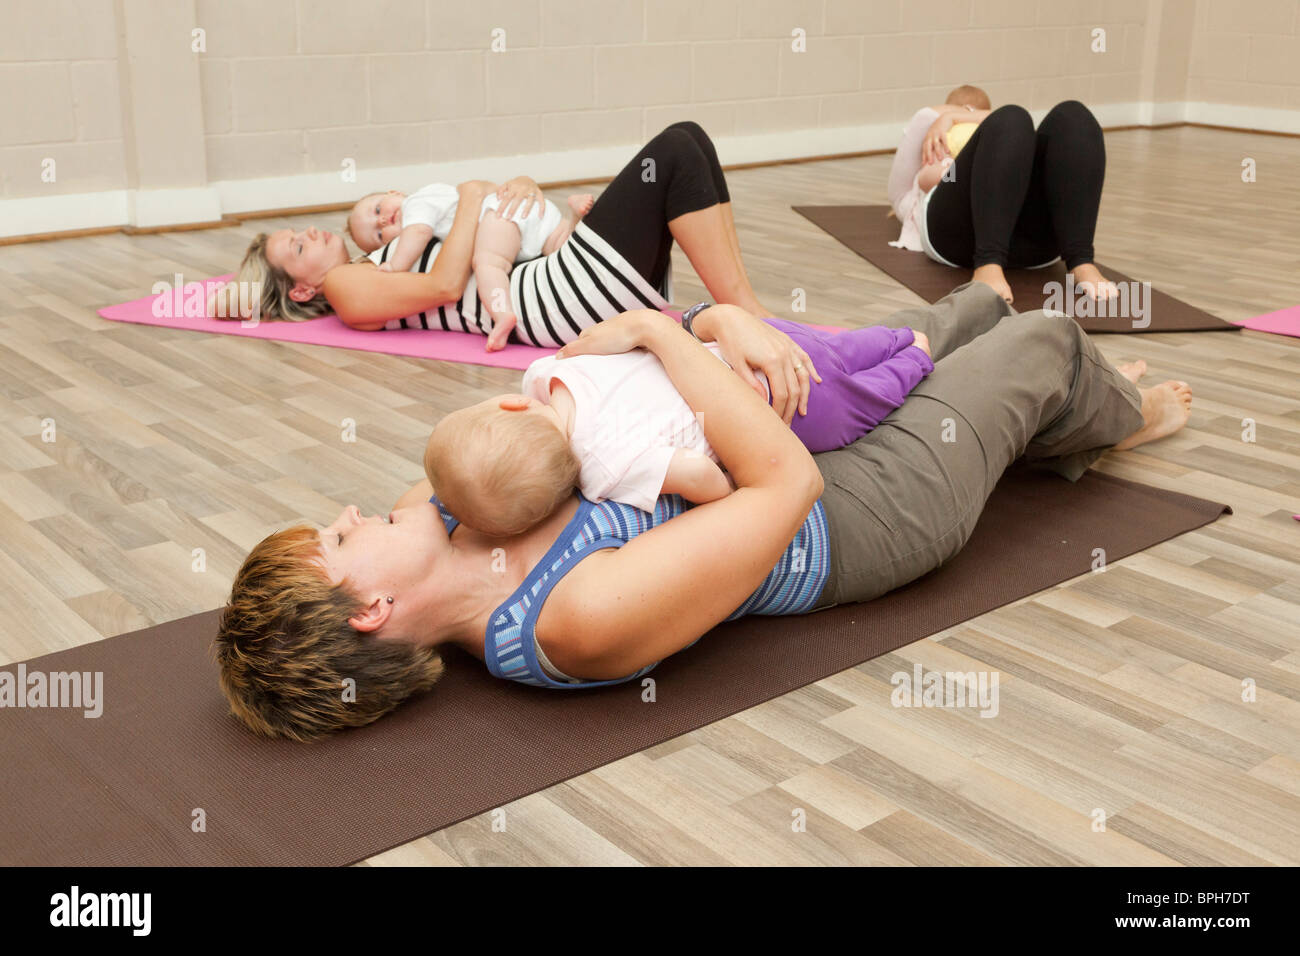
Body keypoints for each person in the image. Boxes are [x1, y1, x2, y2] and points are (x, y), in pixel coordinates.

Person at [213, 283, 1193, 741]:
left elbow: (580, 390)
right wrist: (681, 325)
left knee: (960, 317)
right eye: (338, 540)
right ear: (371, 611)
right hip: (852, 512)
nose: (348, 512)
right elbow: (782, 488)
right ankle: (1108, 417)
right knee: (1042, 339)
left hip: (735, 419)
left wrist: (716, 337)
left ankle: (1052, 411)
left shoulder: (431, 506)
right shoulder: (571, 623)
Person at [210, 122, 777, 352]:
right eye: (298, 247)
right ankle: (751, 316)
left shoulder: (389, 248)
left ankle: (749, 312)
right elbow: (444, 283)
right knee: (674, 152)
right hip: (553, 302)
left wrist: (519, 187)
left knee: (689, 142)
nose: (310, 233)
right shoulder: (347, 288)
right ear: (304, 290)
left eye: (301, 231)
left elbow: (507, 235)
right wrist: (476, 196)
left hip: (560, 278)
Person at [423, 307, 933, 534]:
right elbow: (613, 338)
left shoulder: (604, 470)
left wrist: (728, 488)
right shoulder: (551, 371)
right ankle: (901, 337)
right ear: (512, 406)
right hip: (752, 341)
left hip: (786, 406)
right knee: (846, 346)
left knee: (867, 399)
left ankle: (917, 360)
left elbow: (696, 477)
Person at [887, 86, 1115, 305]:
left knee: (1073, 115)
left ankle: (1081, 260)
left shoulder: (1006, 140)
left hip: (1035, 241)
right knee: (1012, 117)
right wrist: (955, 142)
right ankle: (988, 263)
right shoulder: (939, 145)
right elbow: (927, 178)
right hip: (959, 239)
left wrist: (956, 117)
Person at [344, 185, 595, 350]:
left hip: (498, 216)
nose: (383, 220)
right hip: (528, 212)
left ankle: (501, 313)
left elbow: (417, 233)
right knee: (560, 244)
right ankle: (573, 219)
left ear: (395, 193)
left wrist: (396, 264)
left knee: (489, 264)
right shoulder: (441, 192)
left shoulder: (416, 206)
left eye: (377, 209)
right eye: (379, 233)